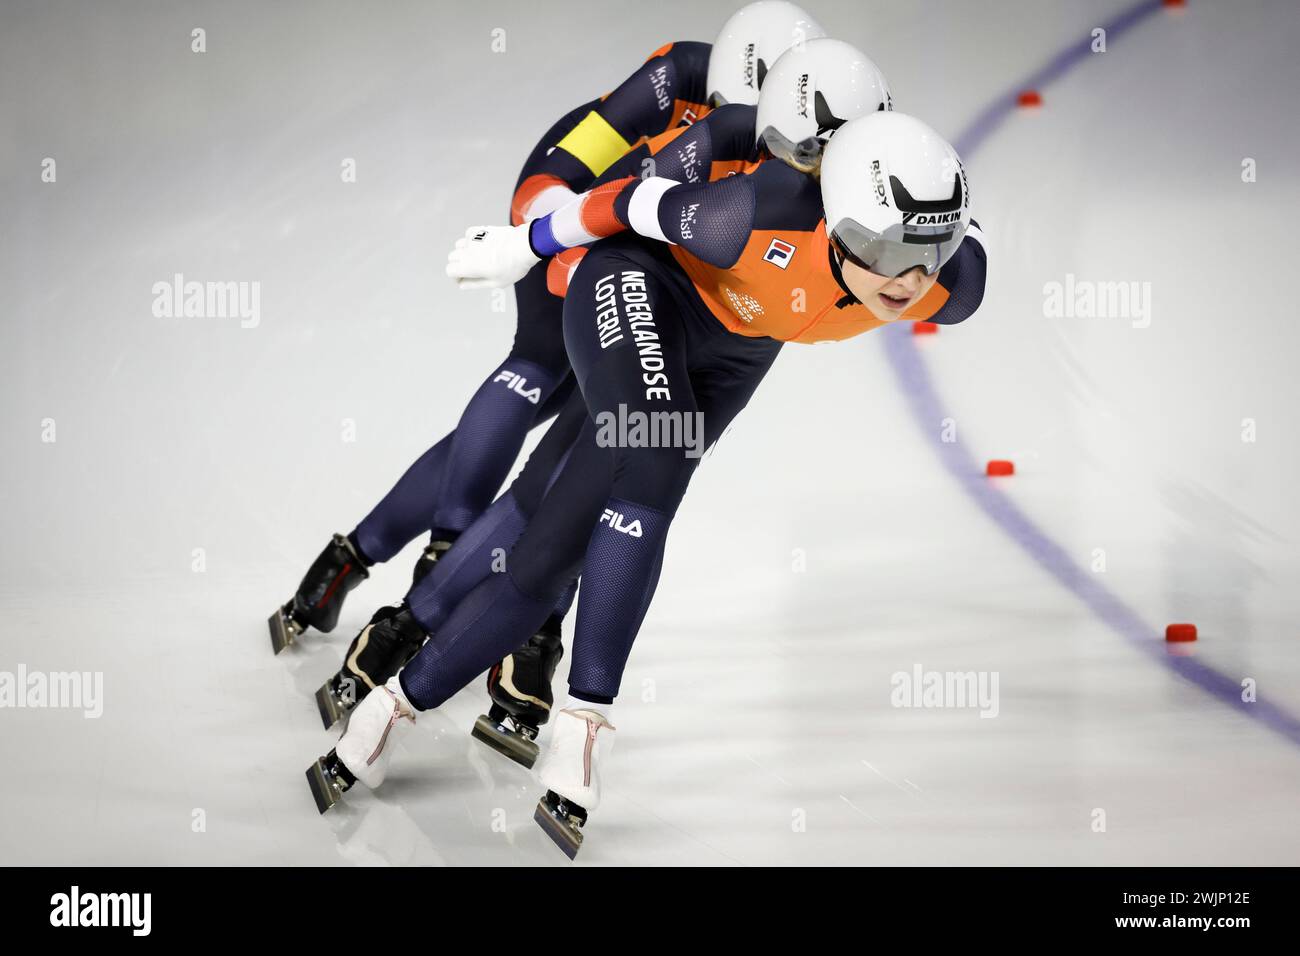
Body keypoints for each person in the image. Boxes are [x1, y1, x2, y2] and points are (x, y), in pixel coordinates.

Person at [311, 107, 986, 858]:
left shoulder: (952, 283)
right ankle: (584, 721)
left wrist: (931, 238)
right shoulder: (751, 213)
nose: (912, 277)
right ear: (836, 226)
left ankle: (390, 711)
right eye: (889, 248)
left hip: (734, 351)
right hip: (639, 284)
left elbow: (942, 247)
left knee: (552, 550)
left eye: (934, 249)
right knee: (657, 459)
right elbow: (630, 202)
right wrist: (524, 245)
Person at [311, 40, 895, 758]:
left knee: (598, 476)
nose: (790, 173)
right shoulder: (687, 97)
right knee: (546, 382)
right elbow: (576, 190)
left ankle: (464, 617)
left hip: (694, 294)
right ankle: (436, 583)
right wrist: (537, 243)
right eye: (767, 145)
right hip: (583, 244)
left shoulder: (790, 175)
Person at [268, 1, 826, 656]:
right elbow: (558, 181)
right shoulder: (677, 75)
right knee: (544, 368)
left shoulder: (808, 126)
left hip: (639, 231)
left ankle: (358, 560)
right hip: (570, 205)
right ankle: (453, 561)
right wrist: (551, 245)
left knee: (595, 421)